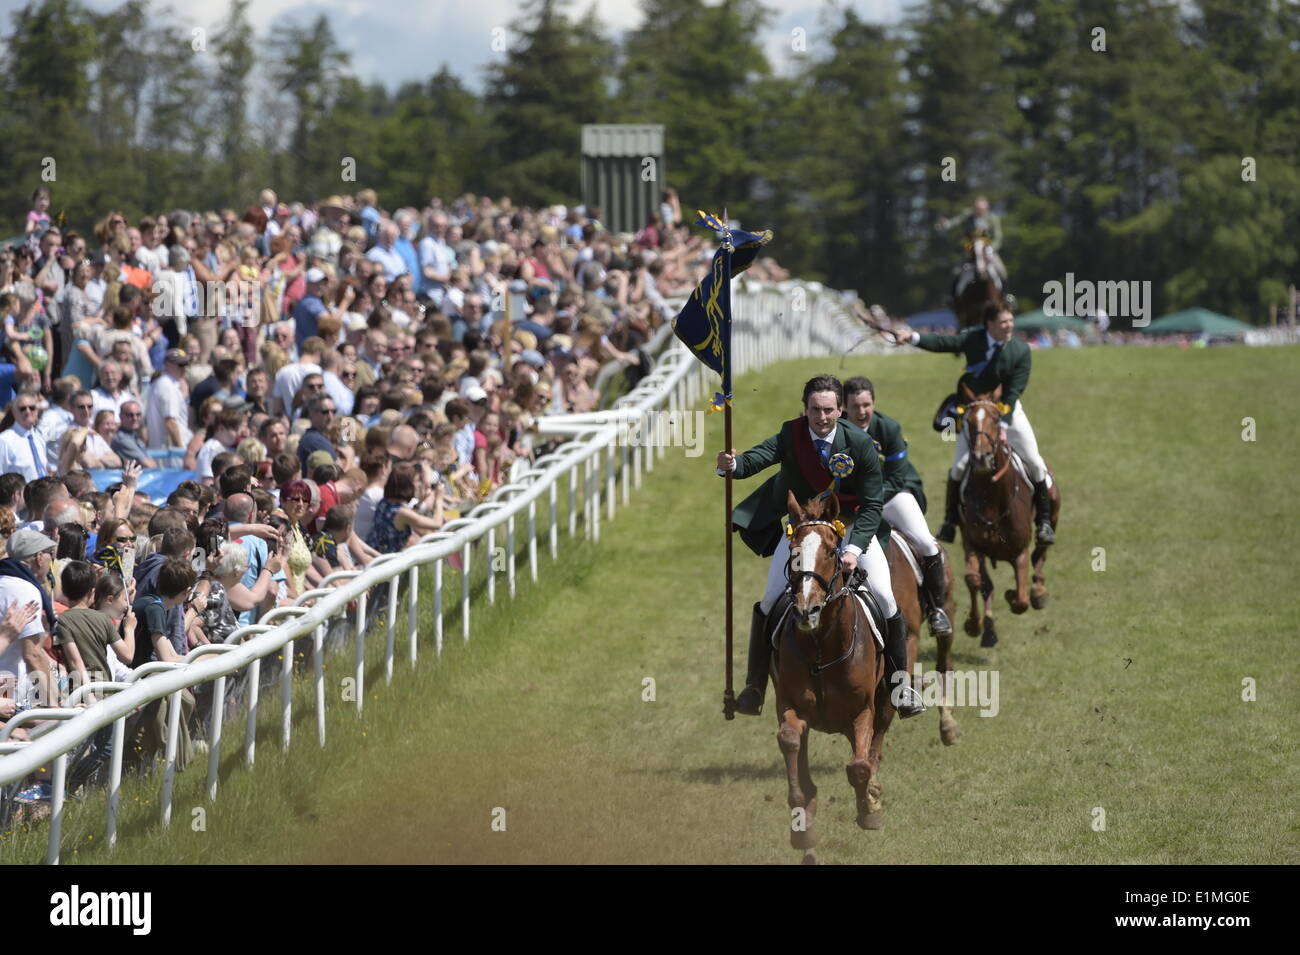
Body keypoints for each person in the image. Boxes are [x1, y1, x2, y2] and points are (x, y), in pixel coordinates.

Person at [718, 374, 924, 718]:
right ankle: (754, 687)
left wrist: (854, 550)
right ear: (805, 409)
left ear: (840, 410)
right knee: (770, 599)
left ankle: (900, 688)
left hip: (854, 528)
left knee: (887, 599)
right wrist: (734, 465)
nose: (822, 417)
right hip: (805, 531)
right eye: (815, 409)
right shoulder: (791, 433)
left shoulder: (859, 443)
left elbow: (873, 504)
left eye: (829, 410)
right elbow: (759, 457)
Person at [884, 302, 1055, 544]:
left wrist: (1003, 427)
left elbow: (1013, 392)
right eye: (1004, 322)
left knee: (1036, 464)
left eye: (1011, 321)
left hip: (1007, 412)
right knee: (958, 467)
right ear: (990, 324)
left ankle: (1044, 522)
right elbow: (944, 343)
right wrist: (911, 337)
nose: (1009, 326)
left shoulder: (1020, 351)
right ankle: (949, 522)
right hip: (975, 415)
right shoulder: (974, 338)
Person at [842, 377, 952, 637]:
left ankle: (937, 610)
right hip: (852, 500)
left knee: (926, 542)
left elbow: (896, 477)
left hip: (892, 493)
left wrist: (870, 501)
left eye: (866, 404)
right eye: (855, 406)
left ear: (874, 403)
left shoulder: (889, 428)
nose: (861, 412)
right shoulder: (838, 430)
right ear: (844, 406)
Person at [937, 195, 1006, 292]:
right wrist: (946, 224)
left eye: (982, 209)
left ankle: (1007, 297)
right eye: (977, 209)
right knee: (957, 271)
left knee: (1001, 271)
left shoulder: (993, 219)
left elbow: (998, 237)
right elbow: (956, 221)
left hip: (989, 250)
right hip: (971, 250)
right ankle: (953, 298)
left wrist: (991, 249)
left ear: (986, 209)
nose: (979, 211)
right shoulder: (968, 215)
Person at [144, 348, 195, 455]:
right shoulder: (168, 386)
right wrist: (180, 451)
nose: (184, 369)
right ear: (168, 365)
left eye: (186, 364)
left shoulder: (162, 383)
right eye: (180, 365)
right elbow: (170, 422)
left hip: (164, 450)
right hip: (170, 452)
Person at [0, 391, 52, 480]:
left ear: (37, 411)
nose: (28, 412)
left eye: (32, 408)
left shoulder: (38, 437)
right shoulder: (4, 440)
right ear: (14, 412)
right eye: (22, 409)